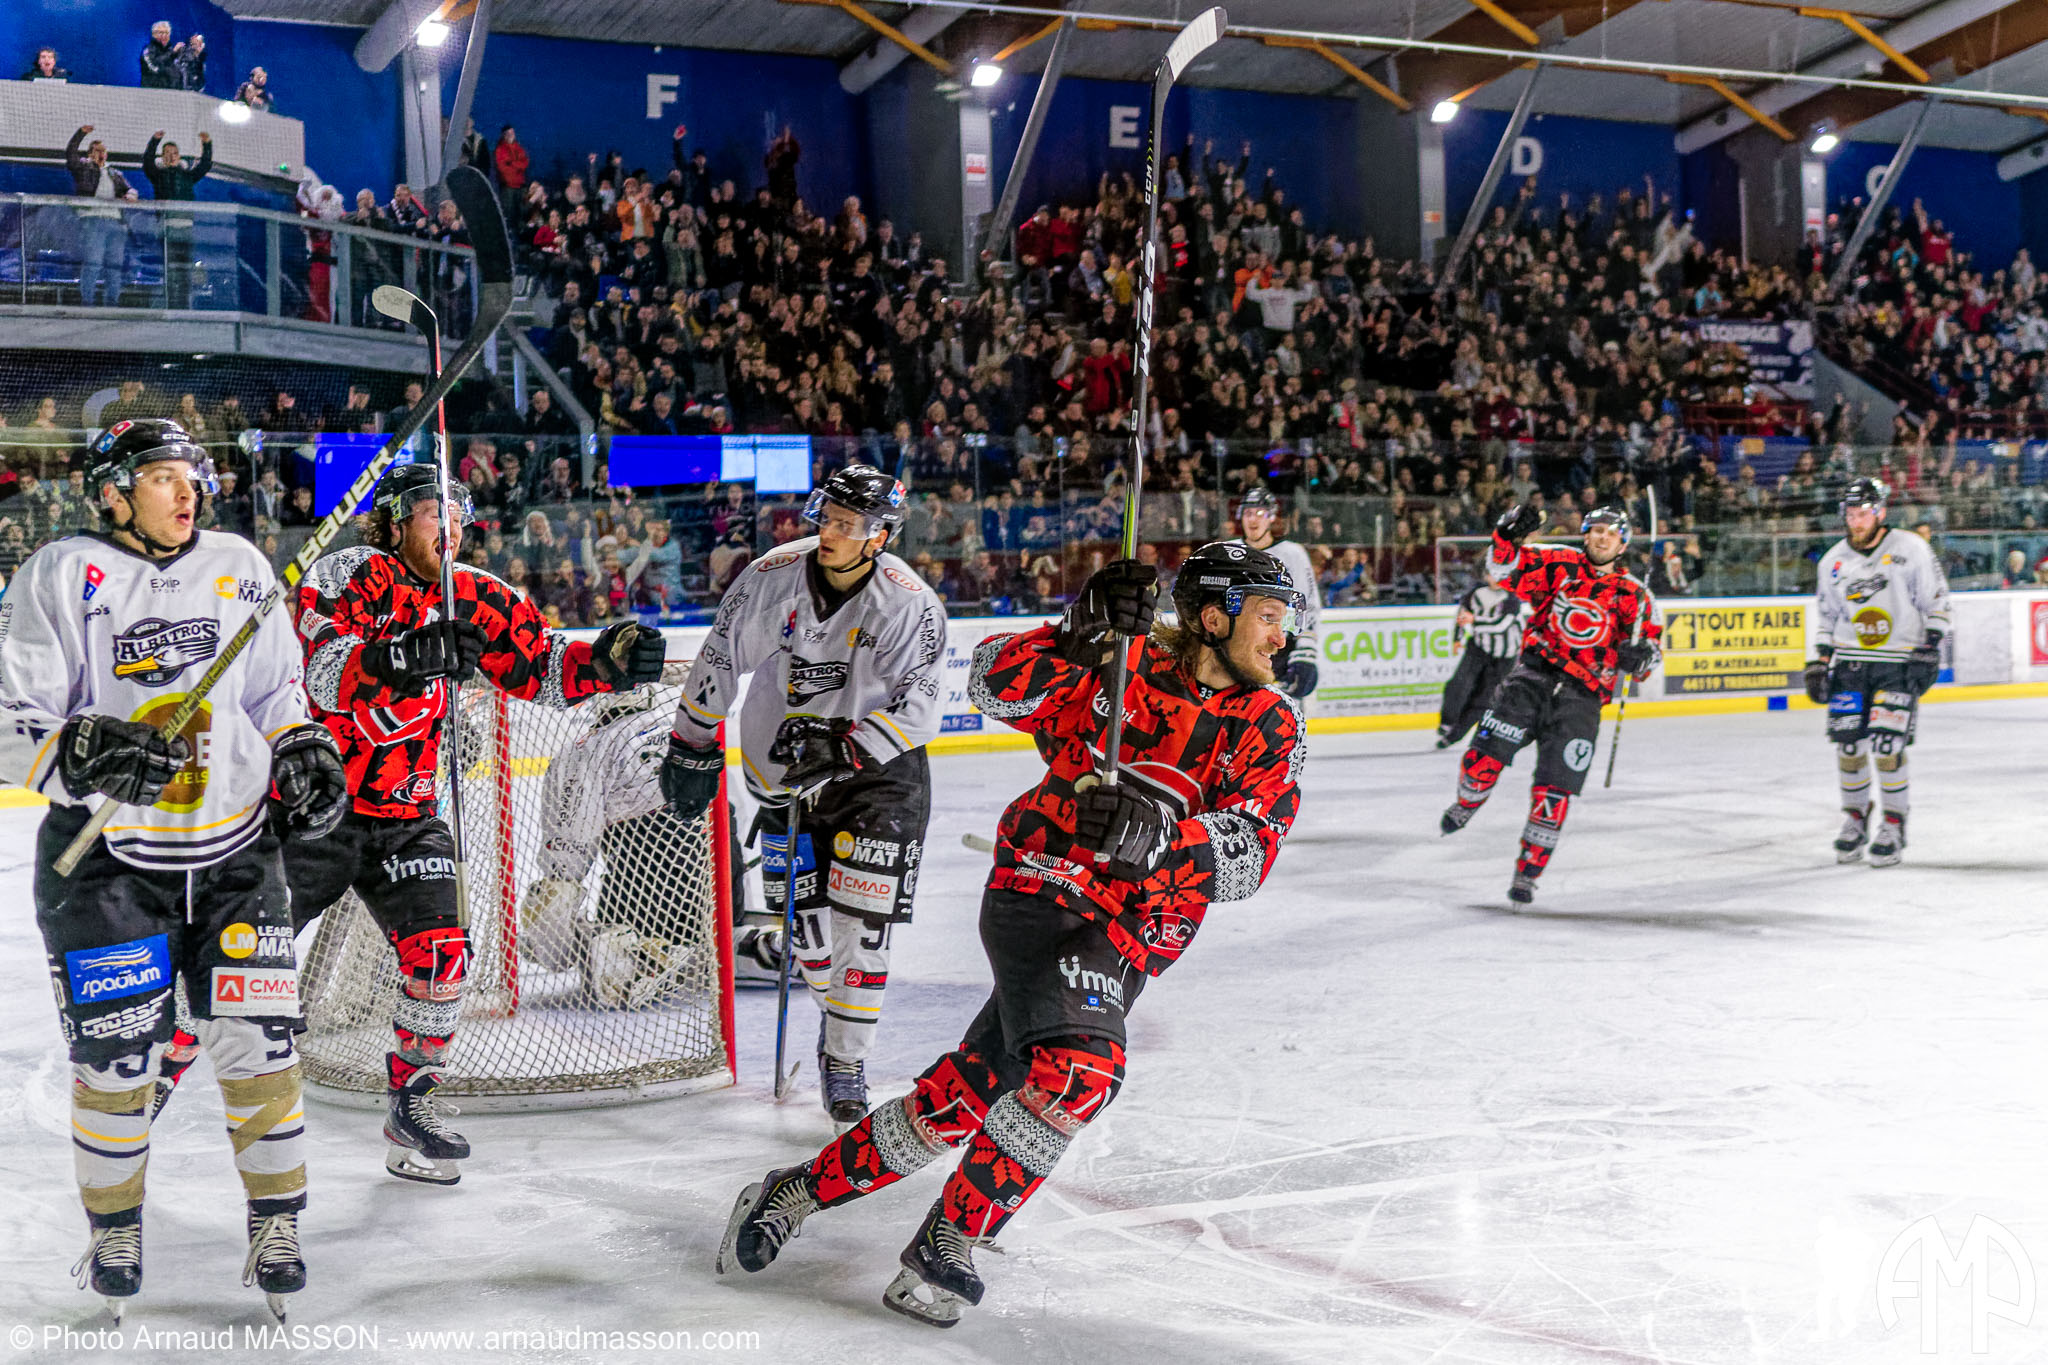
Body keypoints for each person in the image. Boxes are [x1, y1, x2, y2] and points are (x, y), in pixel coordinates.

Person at [711, 542, 1305, 1325]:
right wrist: (1075, 627)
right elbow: (992, 686)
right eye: (1267, 617)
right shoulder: (1120, 664)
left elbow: (1252, 853)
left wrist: (1158, 839)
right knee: (1081, 1070)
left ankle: (789, 1190)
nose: (1282, 637)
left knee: (961, 1096)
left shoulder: (1271, 721)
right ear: (1212, 616)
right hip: (1043, 888)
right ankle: (945, 1243)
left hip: (1131, 938)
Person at [0, 418, 347, 1319]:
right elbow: (11, 722)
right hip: (109, 869)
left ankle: (277, 1221)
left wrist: (301, 743)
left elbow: (276, 688)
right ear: (113, 491)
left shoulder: (237, 562)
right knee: (116, 1064)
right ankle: (115, 1225)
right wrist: (80, 753)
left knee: (261, 1047)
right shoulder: (60, 575)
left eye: (190, 473)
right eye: (161, 476)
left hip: (237, 853)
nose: (186, 489)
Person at [282, 462, 666, 1184]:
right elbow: (324, 674)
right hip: (317, 807)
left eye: (457, 516)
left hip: (408, 816)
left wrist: (609, 659)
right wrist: (410, 654)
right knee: (250, 952)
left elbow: (545, 669)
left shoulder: (477, 595)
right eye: (433, 513)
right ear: (395, 522)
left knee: (442, 957)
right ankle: (158, 1075)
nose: (450, 527)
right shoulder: (353, 571)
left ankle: (412, 1106)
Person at [660, 464, 947, 1129]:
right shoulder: (771, 578)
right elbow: (721, 657)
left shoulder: (909, 603)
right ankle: (834, 1018)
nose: (832, 533)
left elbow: (922, 705)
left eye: (850, 524)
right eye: (829, 517)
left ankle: (846, 1060)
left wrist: (845, 745)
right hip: (782, 776)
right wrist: (690, 741)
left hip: (879, 772)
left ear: (880, 537)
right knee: (808, 934)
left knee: (861, 925)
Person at [1440, 505, 1660, 905]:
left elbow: (1652, 654)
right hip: (1531, 680)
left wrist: (1640, 658)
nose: (1602, 537)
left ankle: (1527, 874)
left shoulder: (1636, 595)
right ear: (1586, 534)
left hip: (1582, 701)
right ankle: (1467, 801)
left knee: (1553, 793)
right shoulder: (1559, 562)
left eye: (1611, 532)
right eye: (1595, 530)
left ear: (1623, 542)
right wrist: (1505, 538)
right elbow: (1505, 571)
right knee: (1482, 760)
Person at [518, 683, 768, 1003]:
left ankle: (642, 954)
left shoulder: (585, 749)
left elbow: (568, 853)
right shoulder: (682, 723)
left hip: (659, 891)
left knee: (551, 902)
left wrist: (551, 940)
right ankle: (741, 939)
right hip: (722, 884)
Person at [1803, 477, 1949, 866]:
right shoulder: (1832, 561)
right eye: (1850, 513)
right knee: (1849, 746)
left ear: (1880, 511)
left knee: (1887, 747)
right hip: (1850, 663)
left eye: (1864, 512)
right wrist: (1819, 660)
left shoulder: (1910, 548)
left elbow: (1936, 599)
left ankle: (1894, 825)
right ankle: (1854, 817)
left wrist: (1931, 646)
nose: (1857, 520)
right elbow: (1828, 615)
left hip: (1897, 662)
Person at [1224, 487, 1319, 698]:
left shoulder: (1293, 554)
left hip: (1279, 648)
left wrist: (1306, 648)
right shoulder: (1228, 553)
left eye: (1260, 513)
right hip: (1237, 648)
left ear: (1272, 517)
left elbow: (1307, 603)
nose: (1253, 519)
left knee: (1281, 717)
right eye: (1248, 513)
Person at [1437, 579, 1526, 748]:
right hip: (1479, 648)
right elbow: (1462, 615)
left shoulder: (1511, 599)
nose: (1497, 578)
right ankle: (1447, 722)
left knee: (1483, 700)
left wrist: (1474, 620)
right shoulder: (1475, 593)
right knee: (1458, 683)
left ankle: (1454, 735)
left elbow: (1501, 625)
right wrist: (1458, 636)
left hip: (1504, 658)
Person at [64, 126, 138, 308]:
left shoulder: (115, 173)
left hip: (115, 221)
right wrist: (81, 133)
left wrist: (131, 194)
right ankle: (87, 301)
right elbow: (70, 154)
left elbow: (129, 189)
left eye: (103, 150)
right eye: (97, 150)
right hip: (93, 218)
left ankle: (112, 302)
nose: (101, 153)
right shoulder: (83, 167)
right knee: (93, 262)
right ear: (90, 153)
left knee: (114, 265)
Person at [141, 131, 214, 309]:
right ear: (163, 157)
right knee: (171, 269)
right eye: (167, 153)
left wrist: (207, 145)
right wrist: (155, 141)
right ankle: (172, 305)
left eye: (174, 153)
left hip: (186, 229)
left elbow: (204, 165)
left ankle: (184, 305)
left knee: (186, 268)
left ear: (178, 156)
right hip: (167, 228)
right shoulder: (158, 175)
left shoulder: (188, 176)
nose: (171, 156)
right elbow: (147, 162)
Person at [139, 22, 180, 88]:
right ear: (154, 34)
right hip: (152, 92)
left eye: (167, 33)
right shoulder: (148, 50)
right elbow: (153, 67)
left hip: (172, 93)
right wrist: (172, 54)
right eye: (161, 33)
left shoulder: (171, 51)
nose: (164, 35)